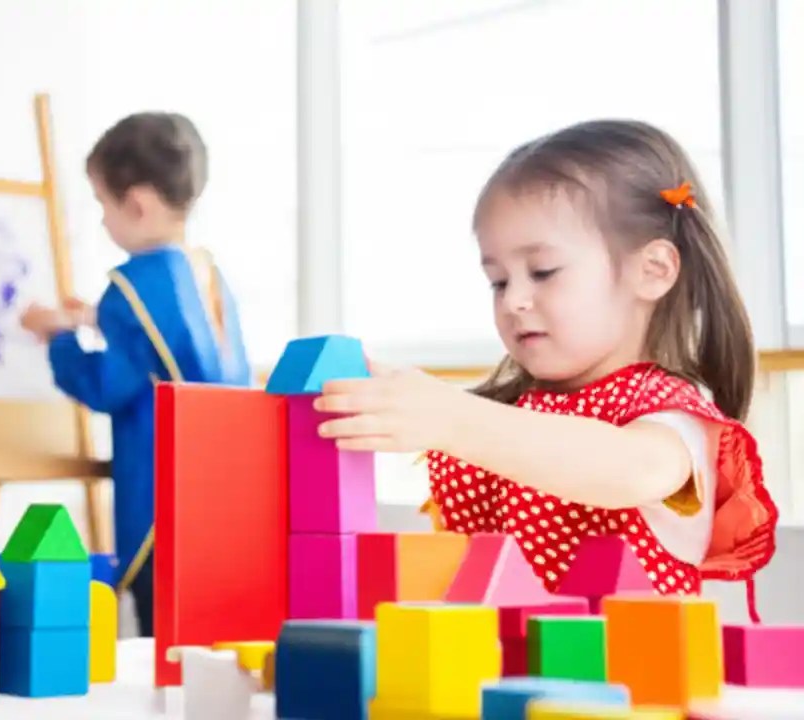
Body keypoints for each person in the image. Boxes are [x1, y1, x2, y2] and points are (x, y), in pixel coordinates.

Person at [315, 120, 778, 620]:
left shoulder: (674, 420)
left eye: (543, 272)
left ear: (653, 270)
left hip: (627, 690)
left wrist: (450, 417)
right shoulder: (510, 415)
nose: (513, 300)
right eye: (497, 281)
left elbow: (628, 468)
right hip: (495, 683)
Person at [20, 112, 251, 635]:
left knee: (159, 635)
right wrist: (93, 316)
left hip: (160, 497)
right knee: (207, 636)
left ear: (138, 204)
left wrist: (58, 338)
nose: (102, 220)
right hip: (221, 492)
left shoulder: (128, 285)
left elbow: (108, 385)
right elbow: (178, 347)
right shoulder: (207, 274)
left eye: (103, 204)